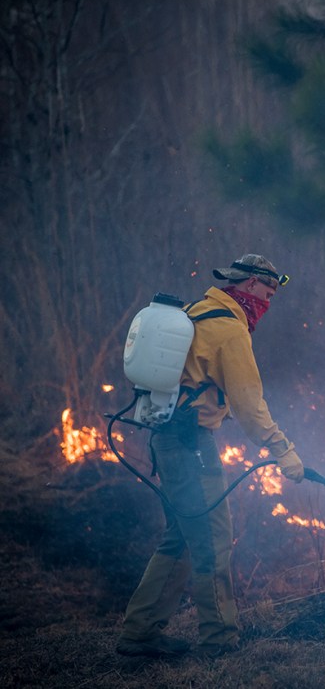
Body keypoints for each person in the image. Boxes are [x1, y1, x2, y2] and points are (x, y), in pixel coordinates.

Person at [116, 254, 305, 660]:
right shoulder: (229, 329)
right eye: (268, 293)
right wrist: (282, 450)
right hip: (190, 447)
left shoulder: (197, 310)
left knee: (181, 537)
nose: (269, 303)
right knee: (213, 540)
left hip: (164, 438)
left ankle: (140, 632)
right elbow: (249, 404)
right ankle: (219, 640)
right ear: (251, 285)